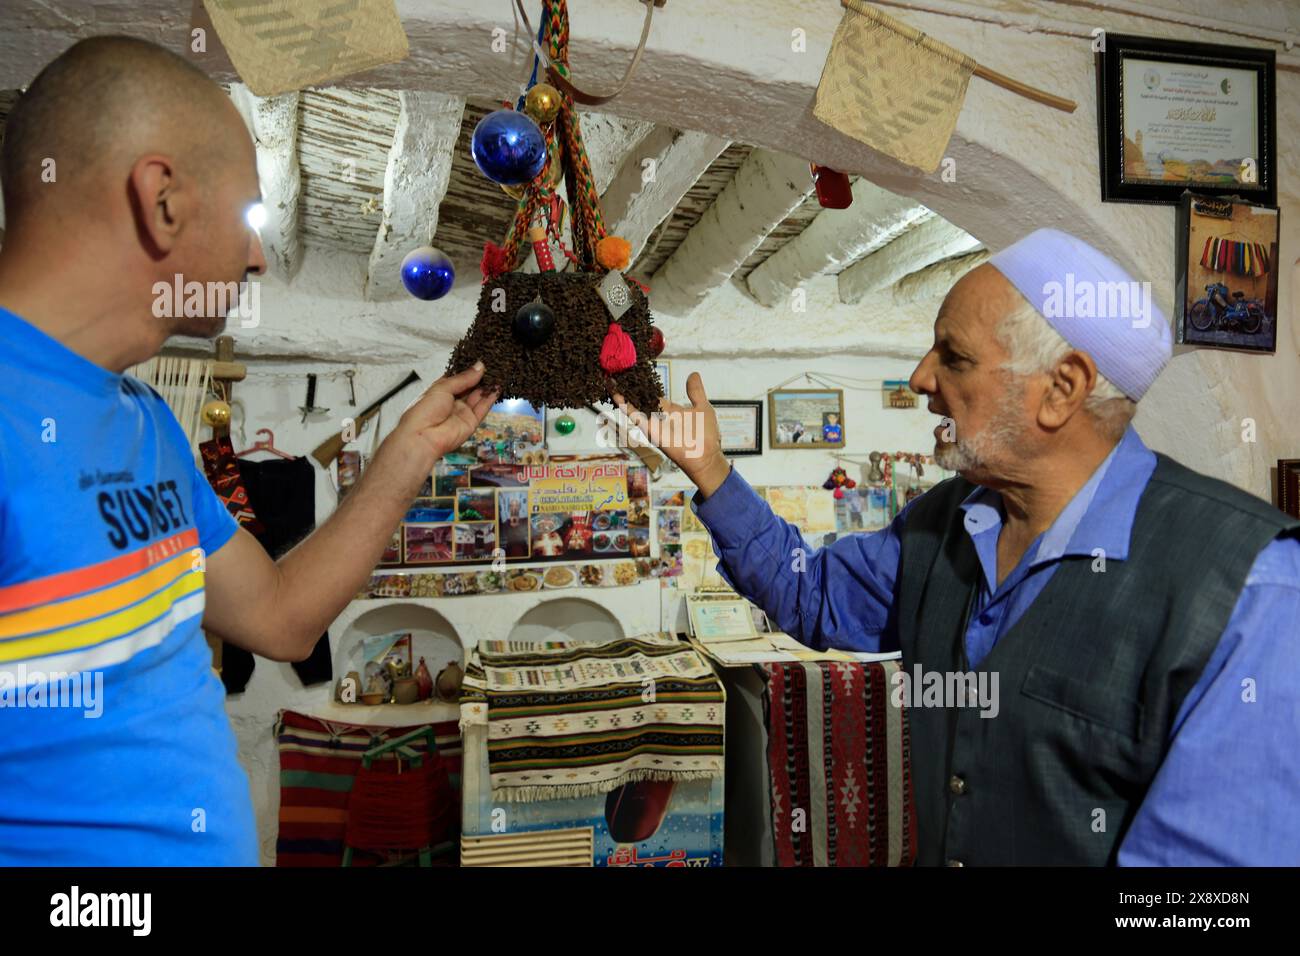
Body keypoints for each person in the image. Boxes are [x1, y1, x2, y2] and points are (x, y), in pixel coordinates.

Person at [618, 227, 1300, 866]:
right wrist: (710, 469)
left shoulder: (1250, 590)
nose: (920, 378)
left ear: (1062, 389)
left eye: (954, 357)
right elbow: (810, 591)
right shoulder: (944, 525)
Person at [0, 37, 497, 864]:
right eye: (249, 216)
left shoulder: (148, 422)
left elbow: (279, 619)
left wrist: (410, 453)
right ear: (162, 201)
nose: (260, 256)